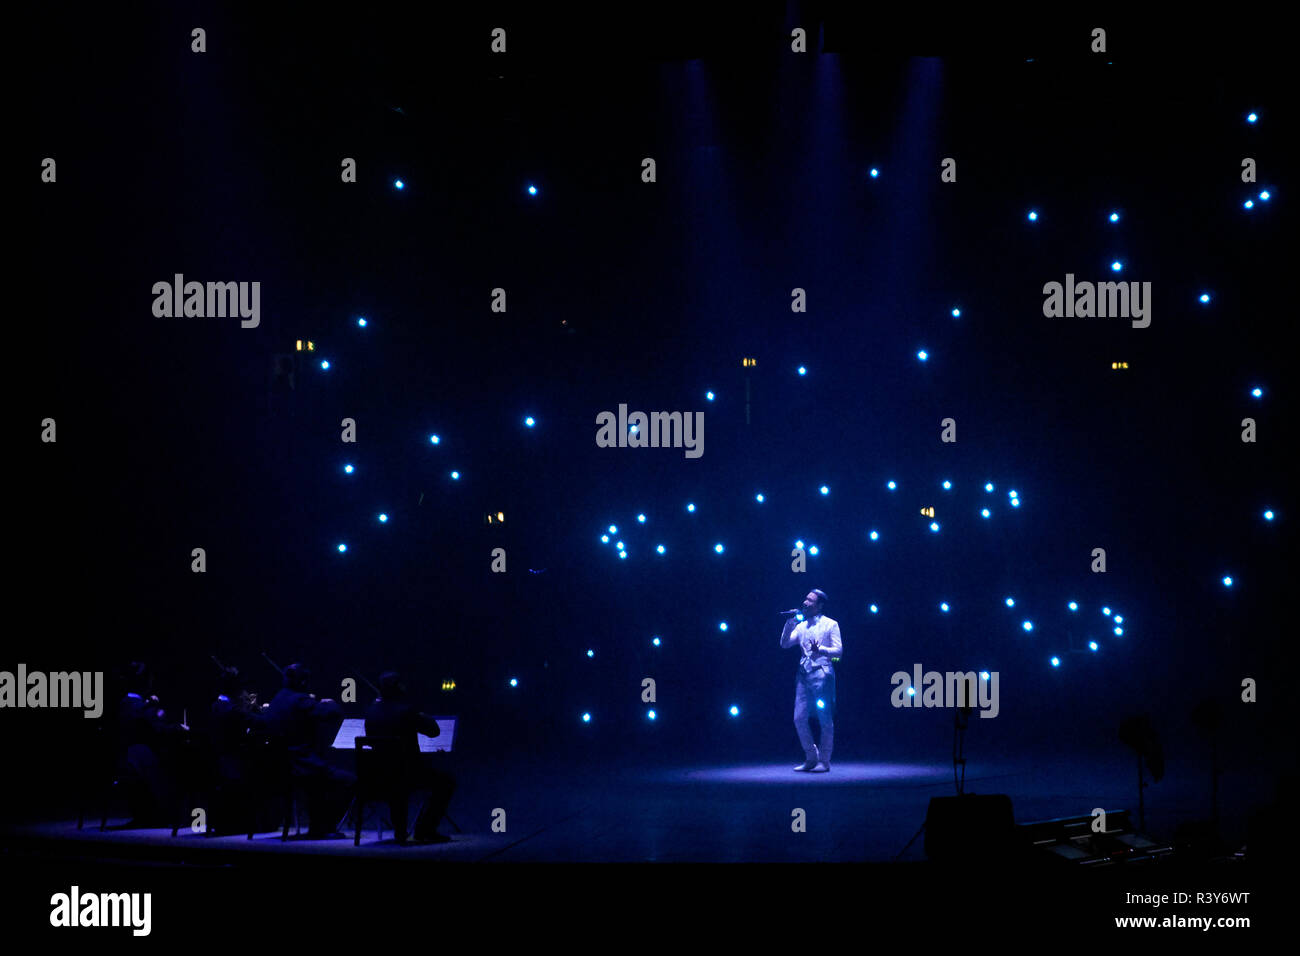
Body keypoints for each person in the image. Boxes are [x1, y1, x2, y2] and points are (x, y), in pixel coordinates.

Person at [254, 663, 355, 838]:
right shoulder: (299, 700)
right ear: (302, 682)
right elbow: (331, 713)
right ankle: (323, 827)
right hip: (300, 765)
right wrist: (329, 702)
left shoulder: (278, 699)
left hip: (277, 768)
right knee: (349, 781)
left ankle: (319, 825)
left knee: (321, 780)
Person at [364, 671, 456, 843]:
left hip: (376, 776)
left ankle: (400, 831)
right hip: (406, 775)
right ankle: (425, 830)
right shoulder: (406, 710)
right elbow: (434, 731)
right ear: (398, 688)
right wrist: (420, 713)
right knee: (447, 782)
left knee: (394, 780)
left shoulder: (370, 712)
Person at [115, 661, 189, 825]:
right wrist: (179, 728)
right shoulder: (136, 705)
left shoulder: (129, 702)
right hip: (138, 758)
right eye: (149, 679)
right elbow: (156, 729)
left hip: (131, 755)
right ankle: (172, 814)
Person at [780, 589, 842, 772]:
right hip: (803, 675)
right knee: (799, 717)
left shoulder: (831, 624)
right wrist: (789, 623)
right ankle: (811, 757)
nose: (805, 602)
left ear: (819, 605)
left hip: (822, 675)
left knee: (825, 718)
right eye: (805, 599)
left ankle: (824, 760)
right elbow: (784, 644)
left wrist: (821, 649)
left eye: (810, 600)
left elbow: (839, 652)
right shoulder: (801, 626)